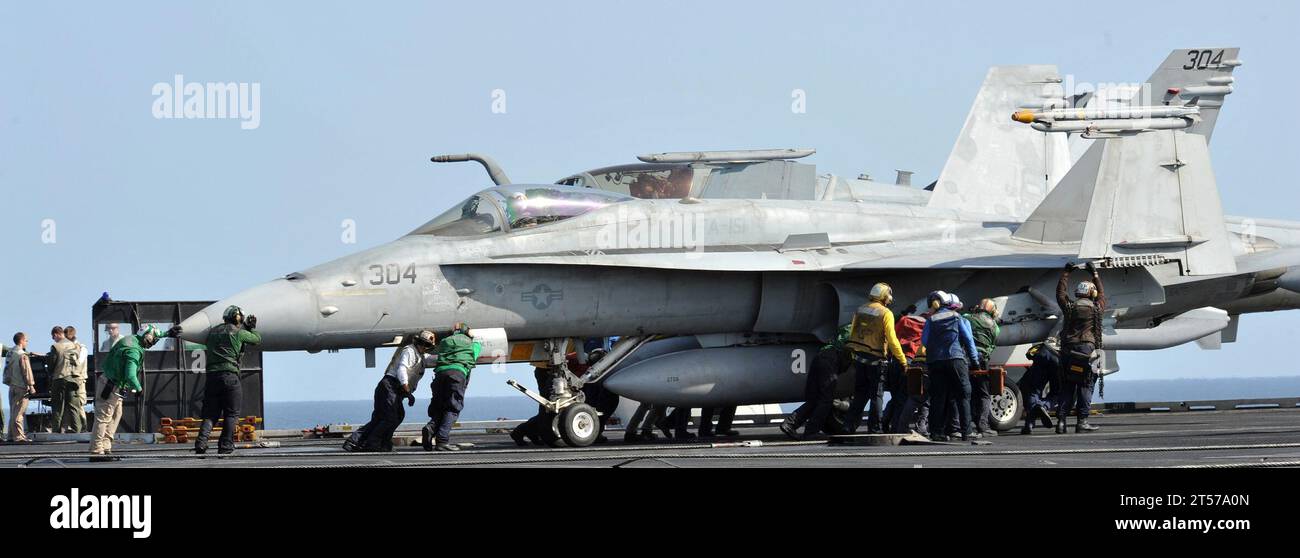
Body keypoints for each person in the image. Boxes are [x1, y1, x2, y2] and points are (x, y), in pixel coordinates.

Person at [91, 325, 177, 461]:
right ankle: (96, 451)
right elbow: (130, 375)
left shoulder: (132, 339)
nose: (154, 341)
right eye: (153, 339)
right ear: (148, 337)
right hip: (111, 386)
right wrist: (139, 388)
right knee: (103, 418)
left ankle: (105, 446)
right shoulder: (134, 351)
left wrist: (167, 333)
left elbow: (154, 333)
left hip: (113, 384)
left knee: (115, 415)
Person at [344, 331, 438, 452]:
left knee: (391, 417)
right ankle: (373, 443)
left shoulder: (421, 357)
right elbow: (402, 369)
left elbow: (433, 359)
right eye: (424, 344)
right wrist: (408, 392)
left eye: (428, 346)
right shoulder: (409, 351)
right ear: (418, 342)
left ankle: (357, 441)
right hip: (390, 386)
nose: (425, 347)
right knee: (390, 417)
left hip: (393, 389)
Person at [843, 283, 909, 433]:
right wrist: (903, 360)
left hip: (859, 358)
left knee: (860, 394)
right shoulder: (885, 313)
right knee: (876, 395)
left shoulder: (861, 309)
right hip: (875, 360)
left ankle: (848, 425)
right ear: (885, 296)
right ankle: (875, 428)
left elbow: (852, 332)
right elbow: (892, 340)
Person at [195, 306, 261, 455]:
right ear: (238, 318)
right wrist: (251, 328)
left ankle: (201, 442)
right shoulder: (239, 333)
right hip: (230, 377)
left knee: (210, 414)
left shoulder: (212, 332)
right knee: (231, 414)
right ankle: (225, 445)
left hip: (212, 378)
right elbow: (257, 339)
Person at [922, 291, 984, 442]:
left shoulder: (931, 320)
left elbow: (924, 341)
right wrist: (975, 362)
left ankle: (936, 433)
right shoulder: (957, 317)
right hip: (956, 359)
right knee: (963, 395)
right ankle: (967, 432)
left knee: (938, 397)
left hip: (935, 362)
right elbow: (968, 340)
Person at [1055, 262, 1105, 434]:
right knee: (1086, 385)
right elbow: (1102, 296)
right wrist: (1095, 274)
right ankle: (1082, 422)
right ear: (1092, 293)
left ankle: (1061, 423)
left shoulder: (1069, 308)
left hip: (1068, 351)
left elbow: (1060, 294)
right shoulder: (1097, 309)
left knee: (1067, 385)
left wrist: (1066, 273)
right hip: (1087, 351)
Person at [782, 324, 851, 439]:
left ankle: (790, 424)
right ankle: (811, 431)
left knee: (815, 399)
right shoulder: (860, 334)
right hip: (831, 361)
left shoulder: (849, 328)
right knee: (826, 399)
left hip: (821, 356)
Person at [422, 323, 482, 451]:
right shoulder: (471, 343)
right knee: (453, 408)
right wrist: (472, 337)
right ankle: (442, 441)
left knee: (441, 406)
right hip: (456, 374)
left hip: (440, 375)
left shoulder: (445, 342)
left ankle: (431, 427)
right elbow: (475, 351)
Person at [963, 299, 1001, 437]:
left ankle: (966, 425)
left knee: (966, 393)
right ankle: (983, 426)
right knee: (984, 394)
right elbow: (993, 344)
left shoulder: (968, 318)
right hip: (983, 360)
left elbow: (962, 321)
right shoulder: (995, 327)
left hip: (966, 359)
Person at [891, 311, 929, 434]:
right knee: (921, 397)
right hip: (915, 361)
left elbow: (893, 336)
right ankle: (921, 426)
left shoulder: (905, 320)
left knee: (899, 396)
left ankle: (893, 426)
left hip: (899, 359)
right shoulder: (929, 324)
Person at [46, 326, 86, 433]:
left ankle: (56, 430)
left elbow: (51, 365)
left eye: (53, 337)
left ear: (56, 334)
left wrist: (50, 373)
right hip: (74, 378)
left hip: (60, 378)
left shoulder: (56, 346)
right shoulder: (75, 345)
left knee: (58, 406)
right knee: (74, 405)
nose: (53, 339)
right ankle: (77, 429)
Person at [1018, 339, 1061, 435]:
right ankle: (1044, 406)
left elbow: (1030, 354)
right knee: (1057, 393)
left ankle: (1029, 424)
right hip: (1058, 357)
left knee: (1033, 390)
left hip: (1044, 351)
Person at [4, 333, 35, 443]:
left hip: (12, 386)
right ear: (21, 341)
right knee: (19, 412)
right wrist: (31, 385)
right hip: (21, 386)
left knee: (13, 411)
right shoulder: (22, 355)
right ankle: (19, 437)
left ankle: (11, 435)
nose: (27, 342)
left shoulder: (10, 353)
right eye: (26, 340)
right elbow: (26, 371)